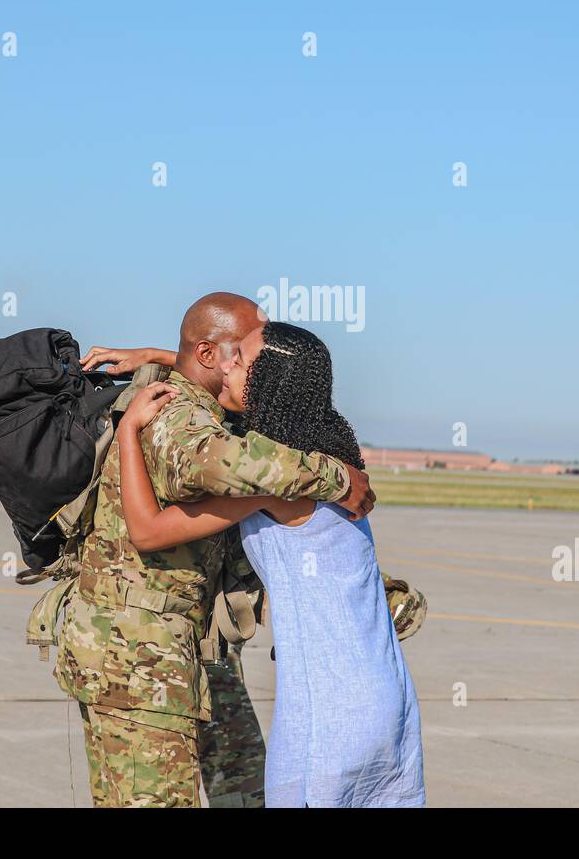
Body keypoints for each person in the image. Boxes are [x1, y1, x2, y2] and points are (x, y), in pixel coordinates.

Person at [54, 293, 376, 807]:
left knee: (248, 792)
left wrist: (161, 355)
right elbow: (215, 464)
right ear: (209, 356)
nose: (261, 365)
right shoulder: (173, 415)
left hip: (195, 647)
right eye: (249, 355)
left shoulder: (200, 404)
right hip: (137, 655)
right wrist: (335, 476)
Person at [116, 320, 424, 808]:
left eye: (241, 359)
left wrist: (128, 430)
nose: (227, 364)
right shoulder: (325, 460)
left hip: (331, 711)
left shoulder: (276, 485)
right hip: (381, 695)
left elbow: (148, 530)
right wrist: (160, 356)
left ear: (272, 382)